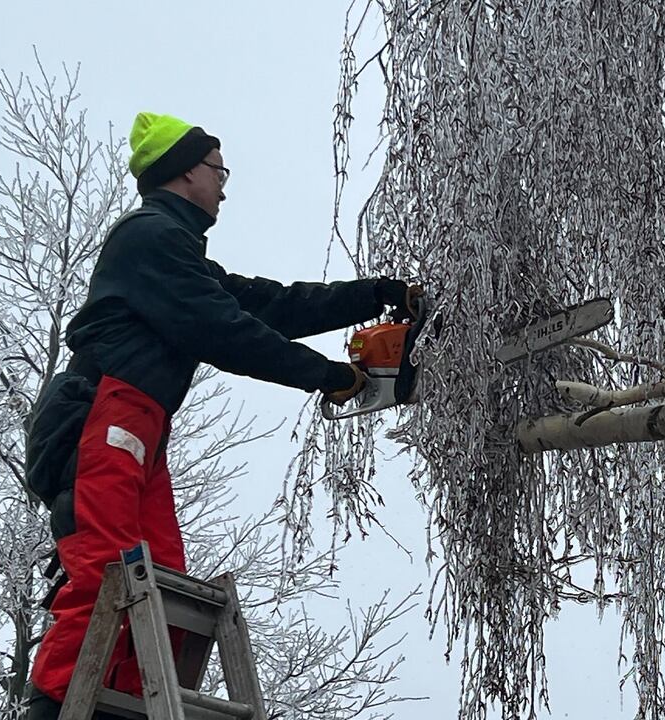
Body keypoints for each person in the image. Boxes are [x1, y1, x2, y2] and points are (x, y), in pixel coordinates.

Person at [23, 112, 417, 718]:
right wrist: (327, 375)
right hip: (105, 417)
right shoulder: (148, 237)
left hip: (139, 431)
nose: (225, 186)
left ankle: (116, 708)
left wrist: (372, 294)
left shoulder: (178, 257)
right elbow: (224, 331)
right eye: (218, 170)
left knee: (159, 586)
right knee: (109, 579)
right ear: (185, 171)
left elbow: (269, 305)